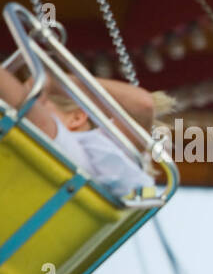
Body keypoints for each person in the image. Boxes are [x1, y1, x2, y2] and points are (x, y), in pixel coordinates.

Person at [0, 63, 171, 198]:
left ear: (76, 118)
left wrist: (54, 82)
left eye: (41, 104)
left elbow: (142, 105)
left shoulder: (83, 157)